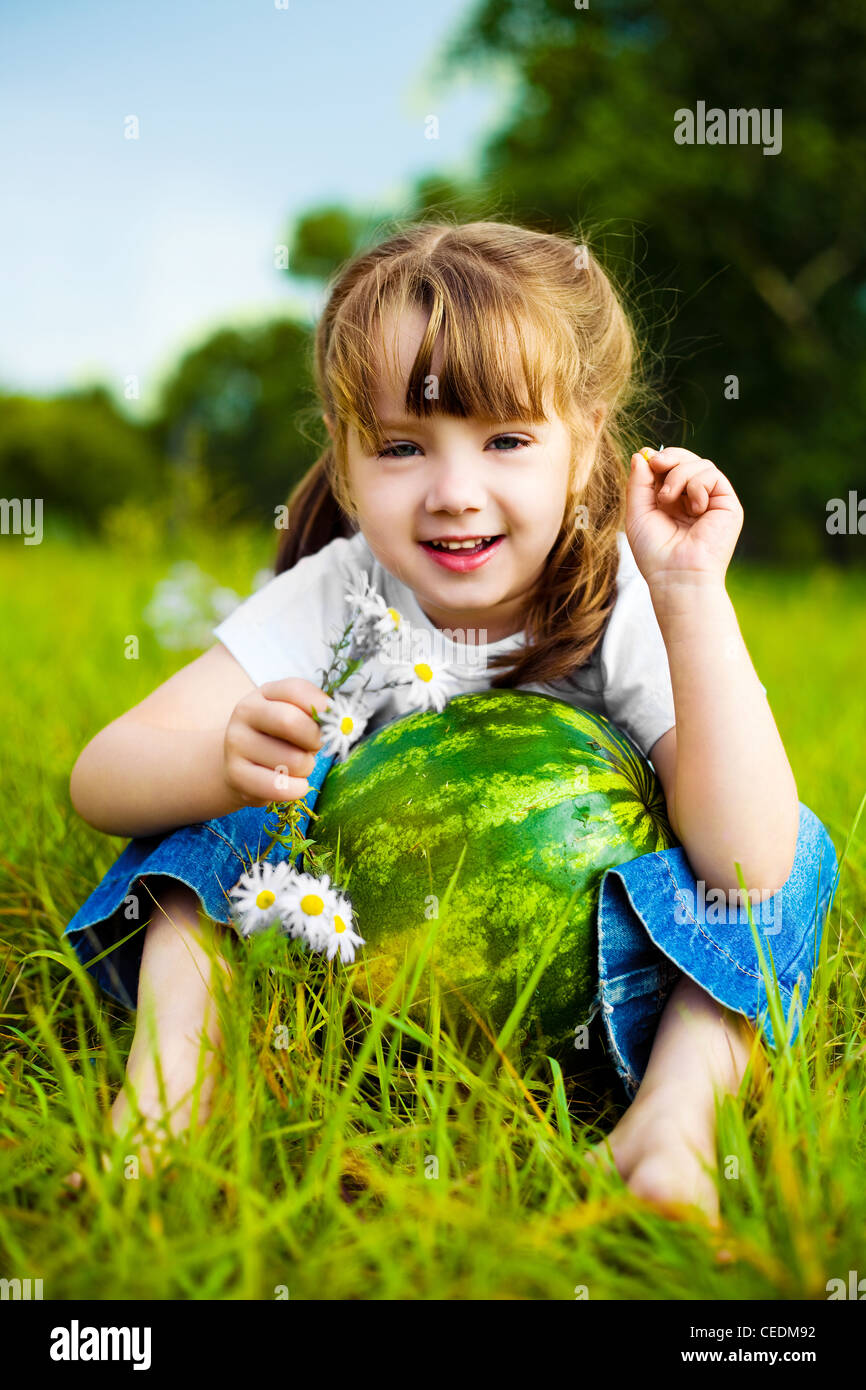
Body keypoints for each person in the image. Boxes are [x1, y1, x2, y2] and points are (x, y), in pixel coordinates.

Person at [63, 218, 837, 1224]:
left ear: (582, 445)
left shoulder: (623, 600)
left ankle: (672, 1115)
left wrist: (689, 596)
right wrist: (226, 760)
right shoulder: (338, 598)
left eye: (506, 439)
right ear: (343, 462)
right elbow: (101, 777)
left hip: (599, 1010)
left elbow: (742, 866)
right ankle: (179, 1082)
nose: (453, 492)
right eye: (400, 445)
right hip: (341, 990)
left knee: (792, 840)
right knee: (219, 815)